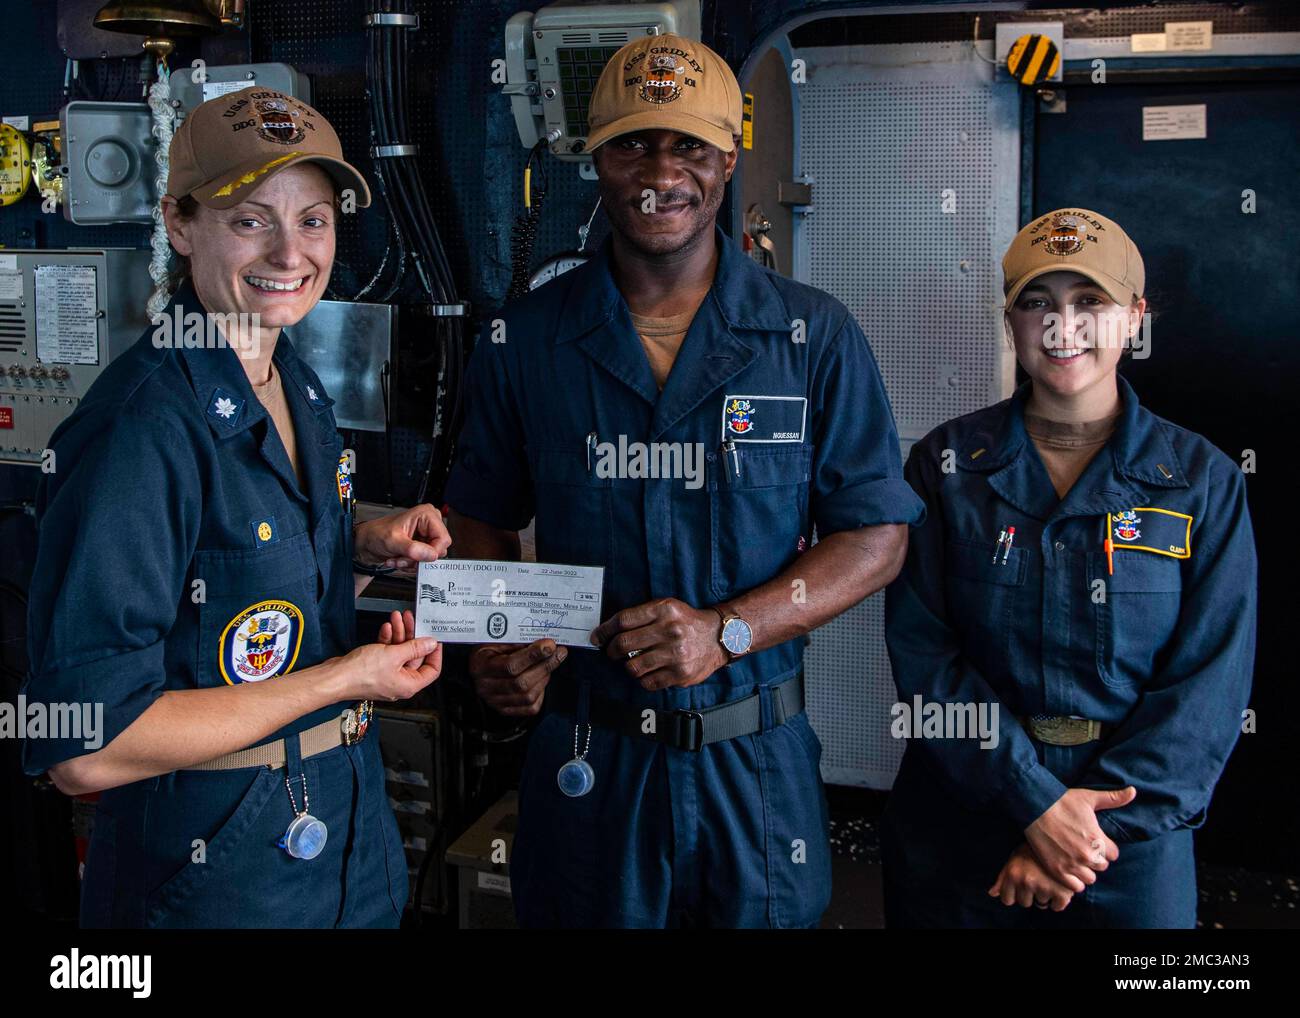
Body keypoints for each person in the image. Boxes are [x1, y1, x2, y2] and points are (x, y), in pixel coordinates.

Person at [444, 34, 923, 928]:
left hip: (756, 760)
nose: (660, 171)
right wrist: (495, 645)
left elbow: (876, 537)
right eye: (631, 143)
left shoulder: (810, 335)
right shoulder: (529, 341)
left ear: (728, 157)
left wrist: (727, 632)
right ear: (597, 159)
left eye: (688, 145)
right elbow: (479, 517)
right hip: (591, 756)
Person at [20, 90, 450, 928]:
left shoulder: (288, 376)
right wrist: (346, 677)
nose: (291, 252)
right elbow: (84, 747)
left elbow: (223, 579)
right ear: (180, 224)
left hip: (342, 843)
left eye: (315, 221)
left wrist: (361, 548)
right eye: (251, 220)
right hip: (211, 879)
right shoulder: (139, 430)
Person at [882, 208, 1257, 927]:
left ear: (1136, 317)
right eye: (1037, 302)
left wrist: (1082, 838)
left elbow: (1209, 686)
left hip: (1127, 840)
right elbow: (925, 657)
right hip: (963, 820)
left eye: (1091, 302)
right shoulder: (946, 466)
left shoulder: (1202, 481)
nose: (1062, 326)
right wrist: (1031, 803)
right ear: (1010, 319)